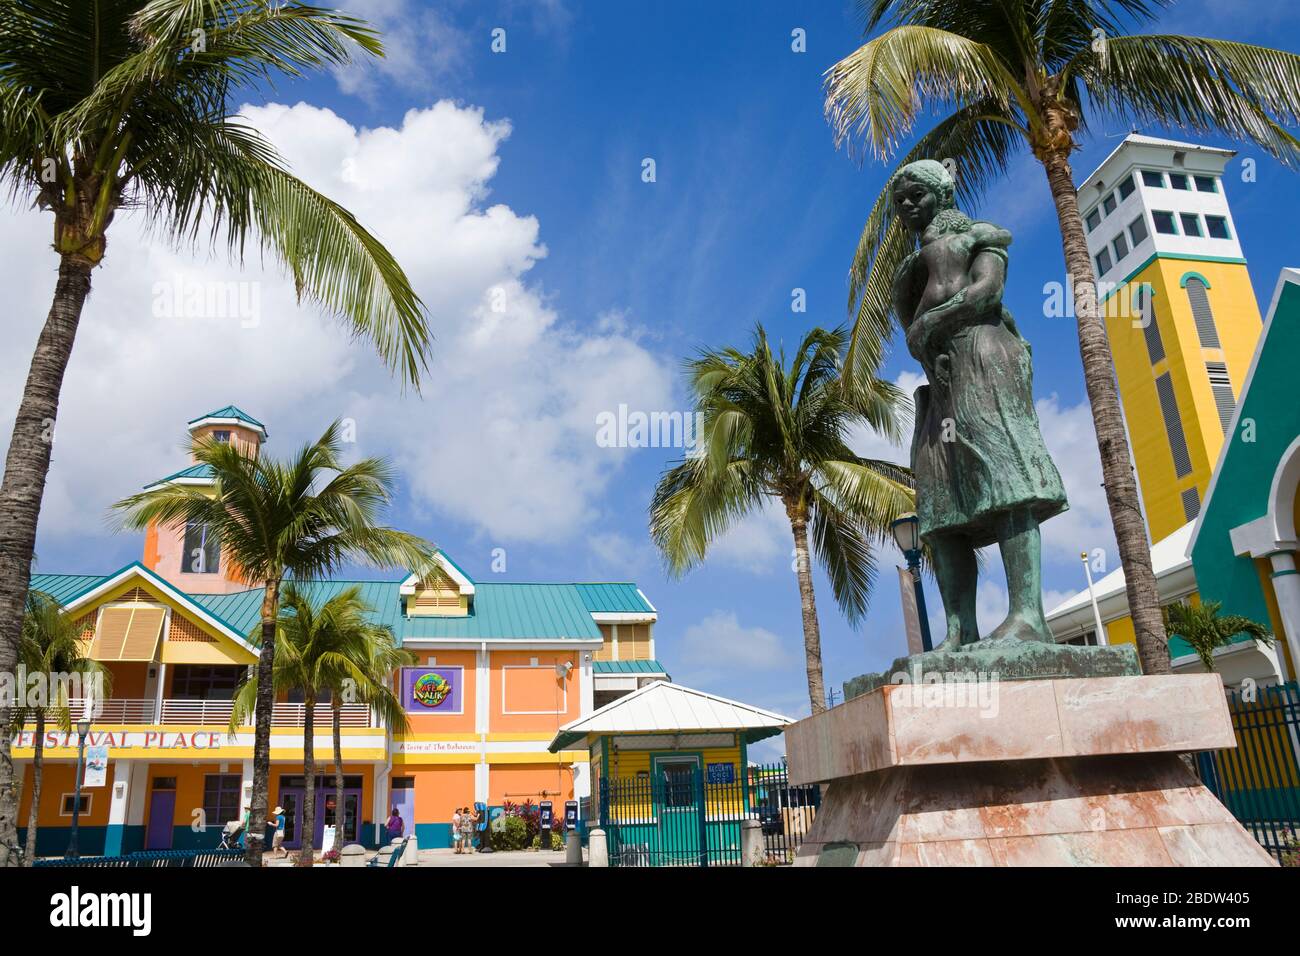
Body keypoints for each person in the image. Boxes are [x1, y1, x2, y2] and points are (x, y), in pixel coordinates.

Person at [889, 159, 1067, 649]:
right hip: (940, 382)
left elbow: (986, 292)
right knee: (940, 505)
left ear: (941, 192)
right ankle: (959, 629)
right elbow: (908, 322)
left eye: (916, 193)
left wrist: (933, 324)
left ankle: (1028, 616)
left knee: (1006, 480)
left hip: (985, 359)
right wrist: (924, 342)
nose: (907, 205)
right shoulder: (911, 267)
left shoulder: (979, 237)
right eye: (899, 199)